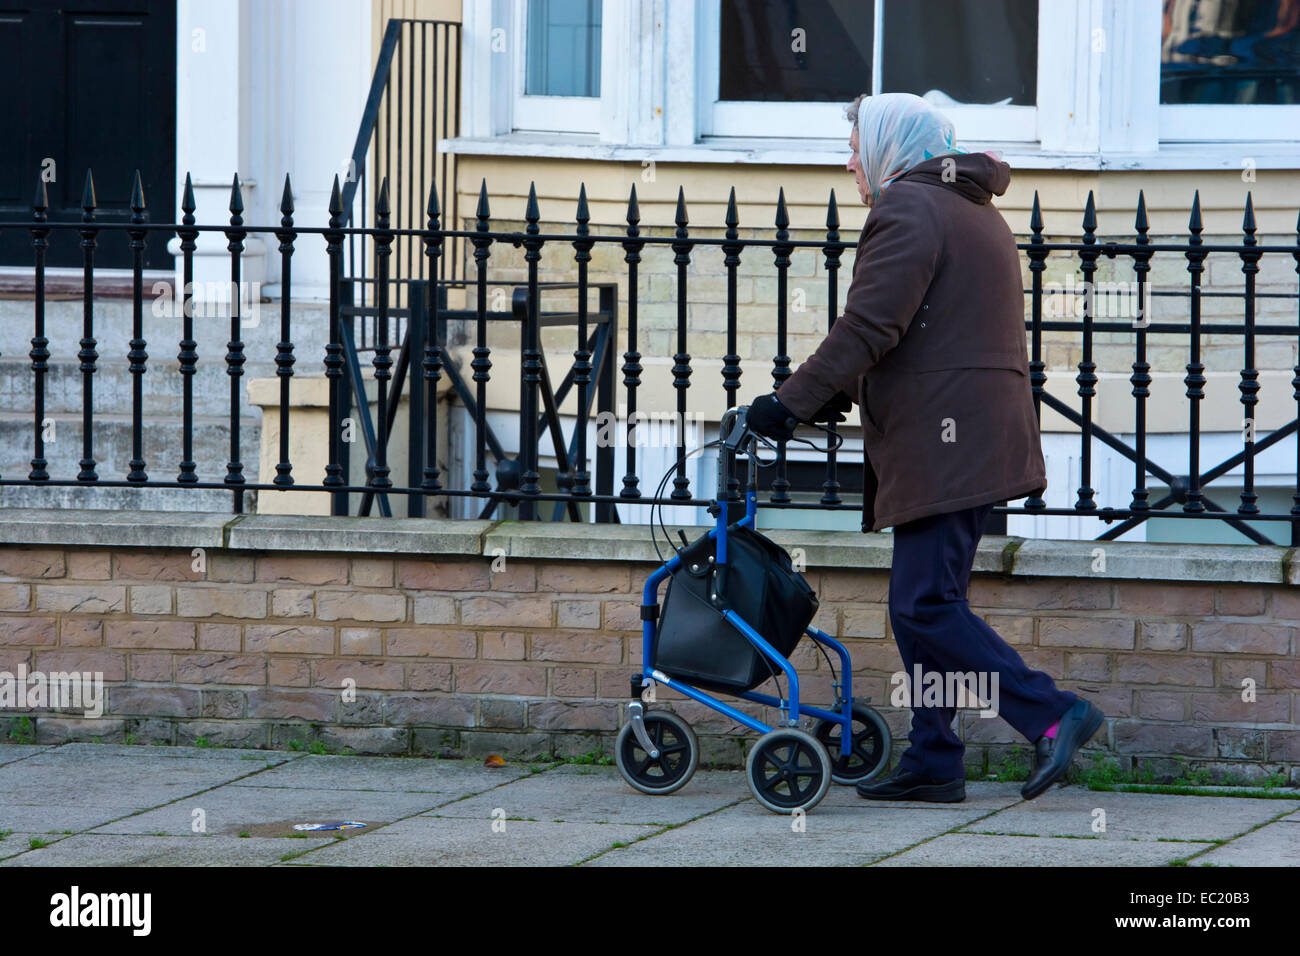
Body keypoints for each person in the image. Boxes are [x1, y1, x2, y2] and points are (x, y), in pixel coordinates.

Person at [746, 92, 1103, 803]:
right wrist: (840, 394)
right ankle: (934, 758)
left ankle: (1051, 713)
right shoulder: (967, 205)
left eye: (855, 147)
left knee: (922, 606)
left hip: (950, 442)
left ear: (888, 146)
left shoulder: (909, 207)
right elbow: (931, 331)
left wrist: (787, 404)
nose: (850, 163)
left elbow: (870, 327)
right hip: (964, 434)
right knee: (928, 601)